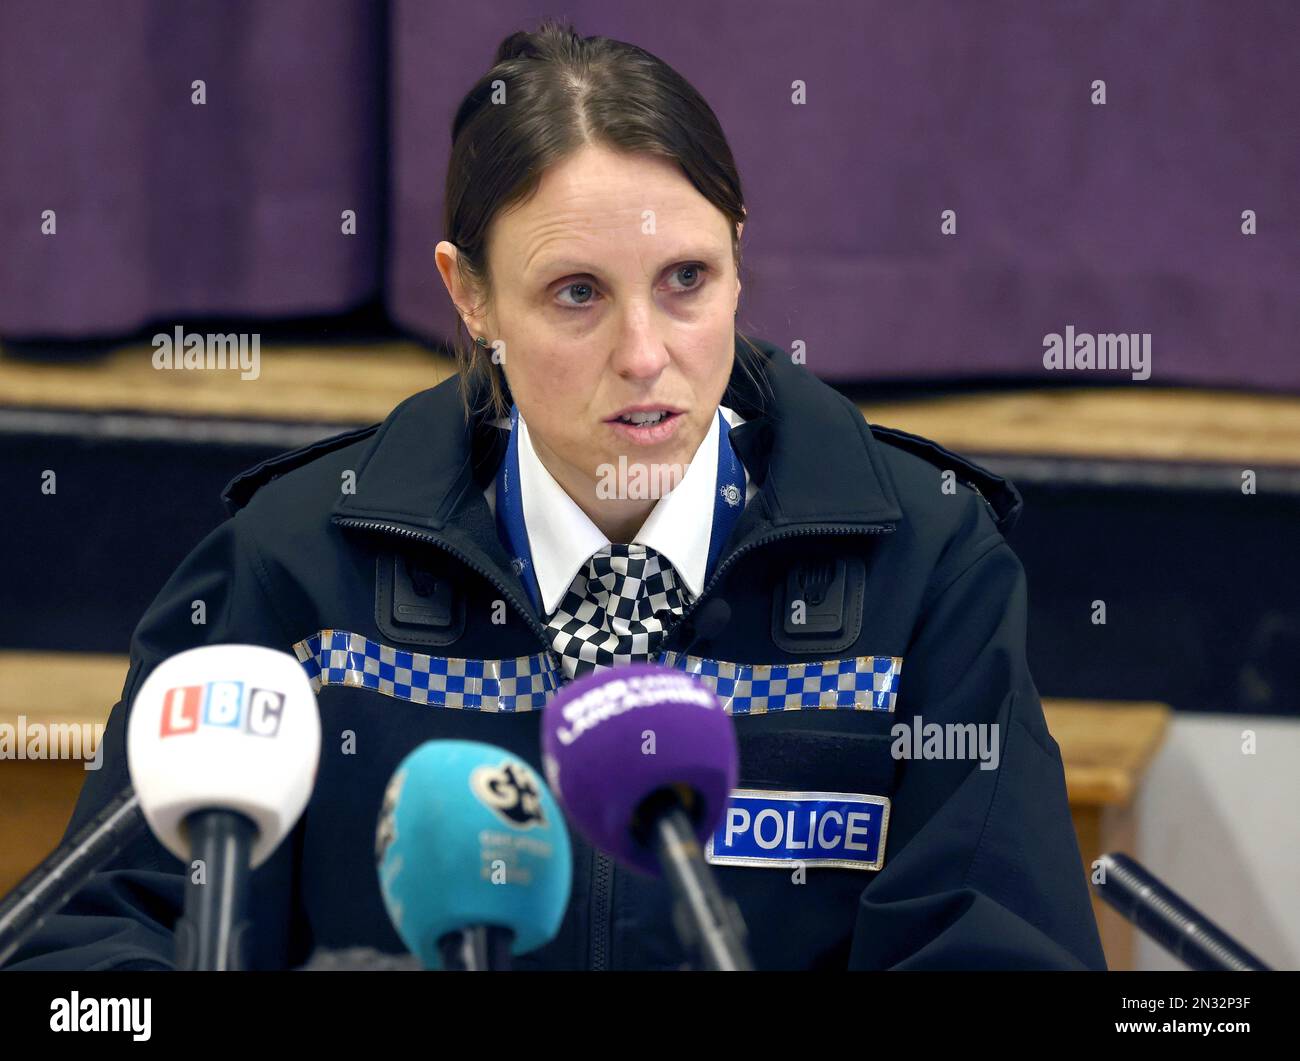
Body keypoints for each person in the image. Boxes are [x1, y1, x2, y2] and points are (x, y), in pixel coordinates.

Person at [3, 20, 1105, 971]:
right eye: (577, 293)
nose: (644, 355)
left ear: (740, 259)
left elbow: (999, 946)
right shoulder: (292, 564)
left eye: (687, 281)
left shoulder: (923, 564)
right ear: (468, 294)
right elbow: (95, 950)